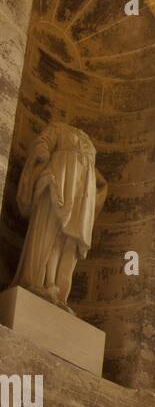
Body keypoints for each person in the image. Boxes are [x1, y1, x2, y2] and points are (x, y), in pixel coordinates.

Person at [14, 122, 106, 310]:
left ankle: (57, 290)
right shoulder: (59, 127)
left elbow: (91, 170)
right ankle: (39, 282)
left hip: (80, 193)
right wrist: (42, 153)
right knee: (49, 231)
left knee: (67, 242)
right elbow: (43, 143)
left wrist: (98, 184)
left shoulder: (89, 145)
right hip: (59, 180)